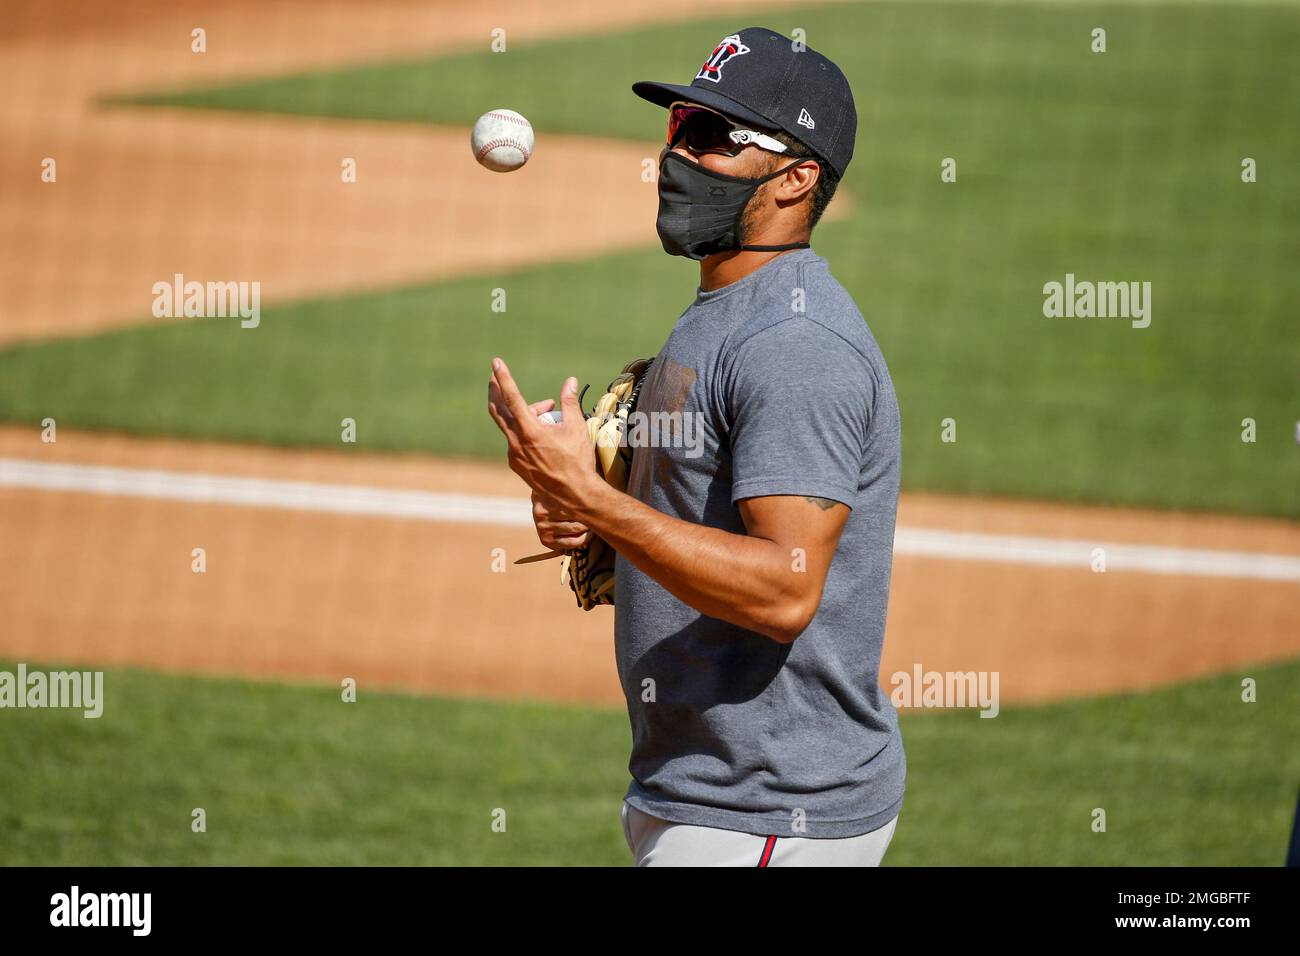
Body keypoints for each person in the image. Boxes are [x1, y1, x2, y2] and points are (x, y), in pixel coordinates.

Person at [487, 26, 905, 866]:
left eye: (713, 138)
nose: (678, 156)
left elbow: (785, 591)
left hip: (766, 809)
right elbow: (698, 512)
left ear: (797, 177)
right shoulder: (727, 309)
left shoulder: (797, 346)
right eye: (679, 126)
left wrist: (595, 499)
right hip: (706, 792)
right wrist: (596, 518)